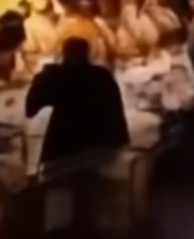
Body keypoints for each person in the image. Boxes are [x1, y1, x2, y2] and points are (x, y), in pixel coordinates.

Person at [25, 36, 130, 167]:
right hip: (99, 146)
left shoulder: (54, 77)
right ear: (88, 53)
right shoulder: (102, 76)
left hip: (63, 146)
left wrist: (43, 76)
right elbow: (117, 118)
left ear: (63, 54)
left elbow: (30, 109)